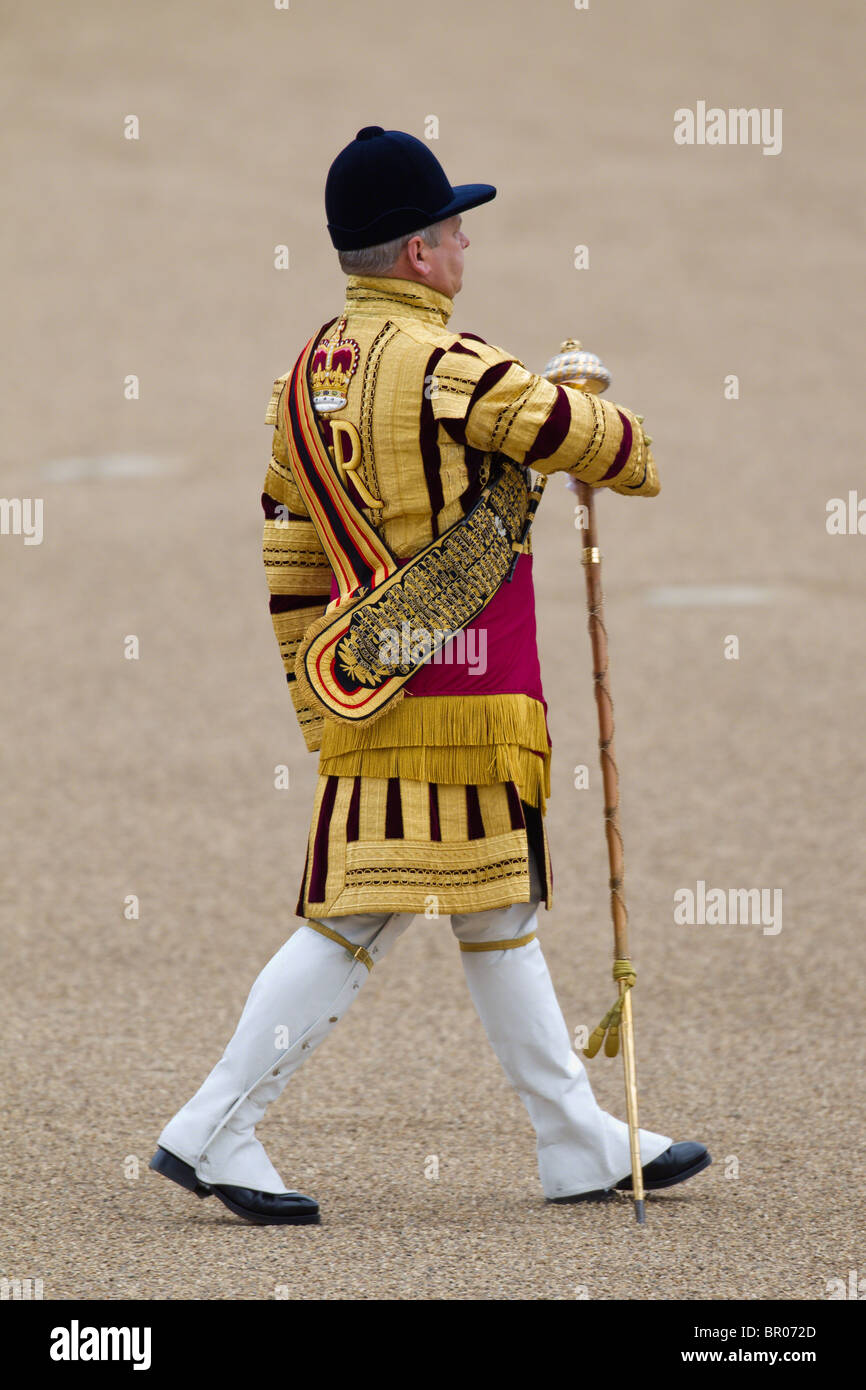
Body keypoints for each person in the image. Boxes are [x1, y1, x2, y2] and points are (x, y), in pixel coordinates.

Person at [149, 127, 710, 1225]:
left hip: (370, 677)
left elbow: (285, 537)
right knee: (357, 918)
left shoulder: (301, 375)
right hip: (470, 695)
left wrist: (318, 692)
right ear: (415, 253)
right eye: (453, 228)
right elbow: (624, 455)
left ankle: (572, 1137)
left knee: (495, 909)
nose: (464, 244)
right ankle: (214, 1120)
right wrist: (586, 391)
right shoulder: (457, 368)